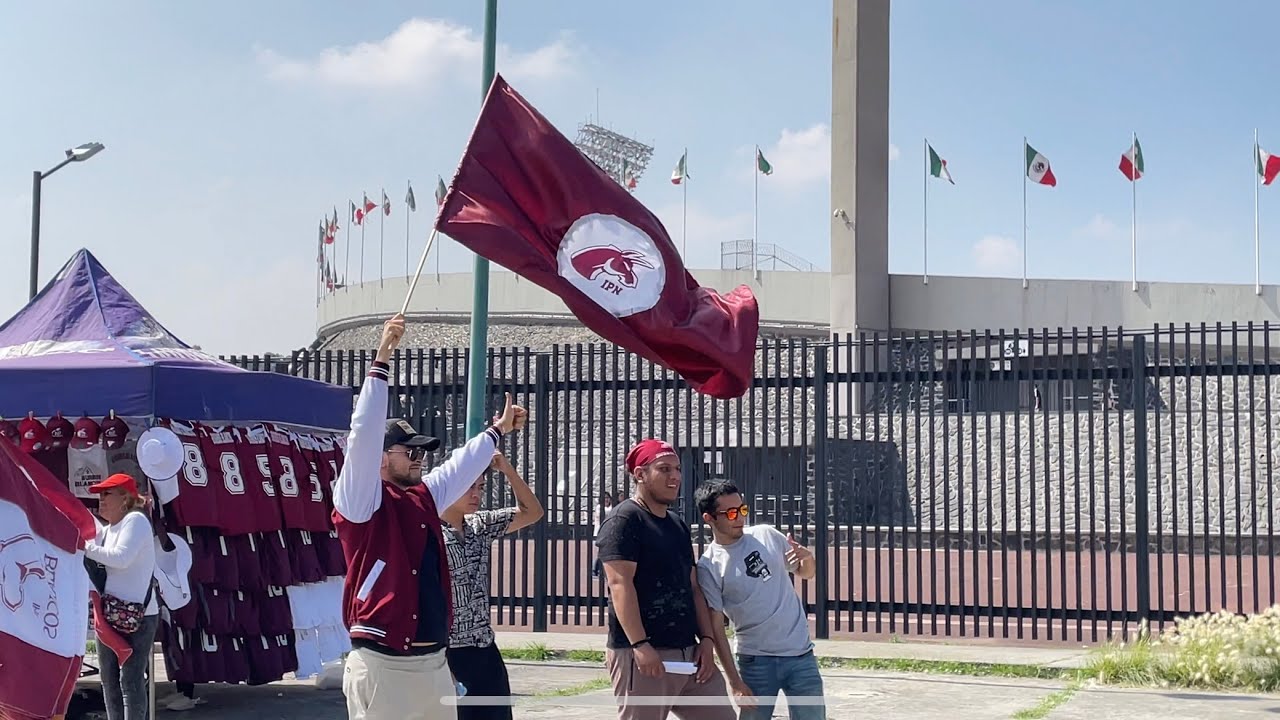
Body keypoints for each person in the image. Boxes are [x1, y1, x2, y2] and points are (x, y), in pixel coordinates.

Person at [332, 313, 528, 720]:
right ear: (383, 458)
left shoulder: (423, 496)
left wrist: (497, 430)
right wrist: (382, 359)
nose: (421, 459)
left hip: (434, 663)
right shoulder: (361, 499)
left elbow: (460, 465)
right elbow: (363, 433)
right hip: (383, 663)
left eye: (423, 452)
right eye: (411, 452)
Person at [594, 439, 735, 720]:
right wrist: (640, 645)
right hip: (645, 655)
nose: (675, 476)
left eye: (677, 468)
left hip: (690, 655)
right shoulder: (624, 520)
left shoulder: (676, 524)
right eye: (664, 469)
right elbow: (620, 586)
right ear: (640, 474)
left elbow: (693, 586)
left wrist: (706, 639)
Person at [694, 480, 825, 719]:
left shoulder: (766, 535)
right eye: (731, 513)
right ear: (709, 518)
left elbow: (806, 573)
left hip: (801, 655)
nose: (740, 517)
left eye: (743, 509)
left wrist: (807, 558)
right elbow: (716, 627)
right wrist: (734, 682)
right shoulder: (709, 566)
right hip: (756, 661)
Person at [441, 449, 544, 720]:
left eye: (481, 487)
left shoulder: (481, 525)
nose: (476, 494)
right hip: (446, 652)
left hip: (485, 648)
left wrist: (507, 469)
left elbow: (532, 511)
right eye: (468, 487)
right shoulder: (427, 532)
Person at [85, 473, 159, 720]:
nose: (101, 499)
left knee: (130, 681)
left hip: (139, 617)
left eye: (107, 494)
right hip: (110, 616)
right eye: (100, 494)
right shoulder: (106, 530)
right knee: (109, 680)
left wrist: (83, 545)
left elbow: (121, 558)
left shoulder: (136, 521)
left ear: (125, 498)